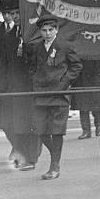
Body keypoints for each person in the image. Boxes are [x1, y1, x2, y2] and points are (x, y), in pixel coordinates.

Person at [26, 16, 83, 180]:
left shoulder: (64, 45)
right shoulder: (36, 47)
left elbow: (76, 66)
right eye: (44, 30)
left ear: (56, 30)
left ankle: (54, 166)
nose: (48, 33)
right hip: (41, 93)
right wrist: (35, 81)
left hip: (59, 94)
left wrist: (64, 82)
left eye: (51, 30)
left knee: (56, 131)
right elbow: (31, 66)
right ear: (40, 31)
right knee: (40, 130)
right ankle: (55, 156)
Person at [0, 0, 40, 170]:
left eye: (18, 12)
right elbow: (2, 62)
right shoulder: (9, 35)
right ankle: (22, 151)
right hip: (11, 86)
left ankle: (31, 158)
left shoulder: (33, 35)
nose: (15, 16)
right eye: (11, 13)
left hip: (29, 87)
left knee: (30, 123)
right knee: (9, 123)